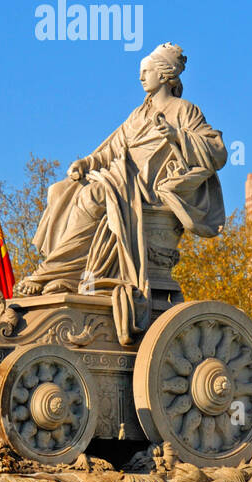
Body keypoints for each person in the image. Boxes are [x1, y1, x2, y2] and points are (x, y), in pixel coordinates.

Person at [16, 43, 226, 299]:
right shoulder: (137, 114)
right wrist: (87, 163)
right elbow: (114, 150)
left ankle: (48, 273)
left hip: (147, 188)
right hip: (122, 180)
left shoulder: (184, 110)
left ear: (163, 75)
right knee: (60, 190)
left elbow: (217, 150)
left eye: (146, 71)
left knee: (93, 196)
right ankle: (69, 276)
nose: (140, 77)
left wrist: (177, 136)